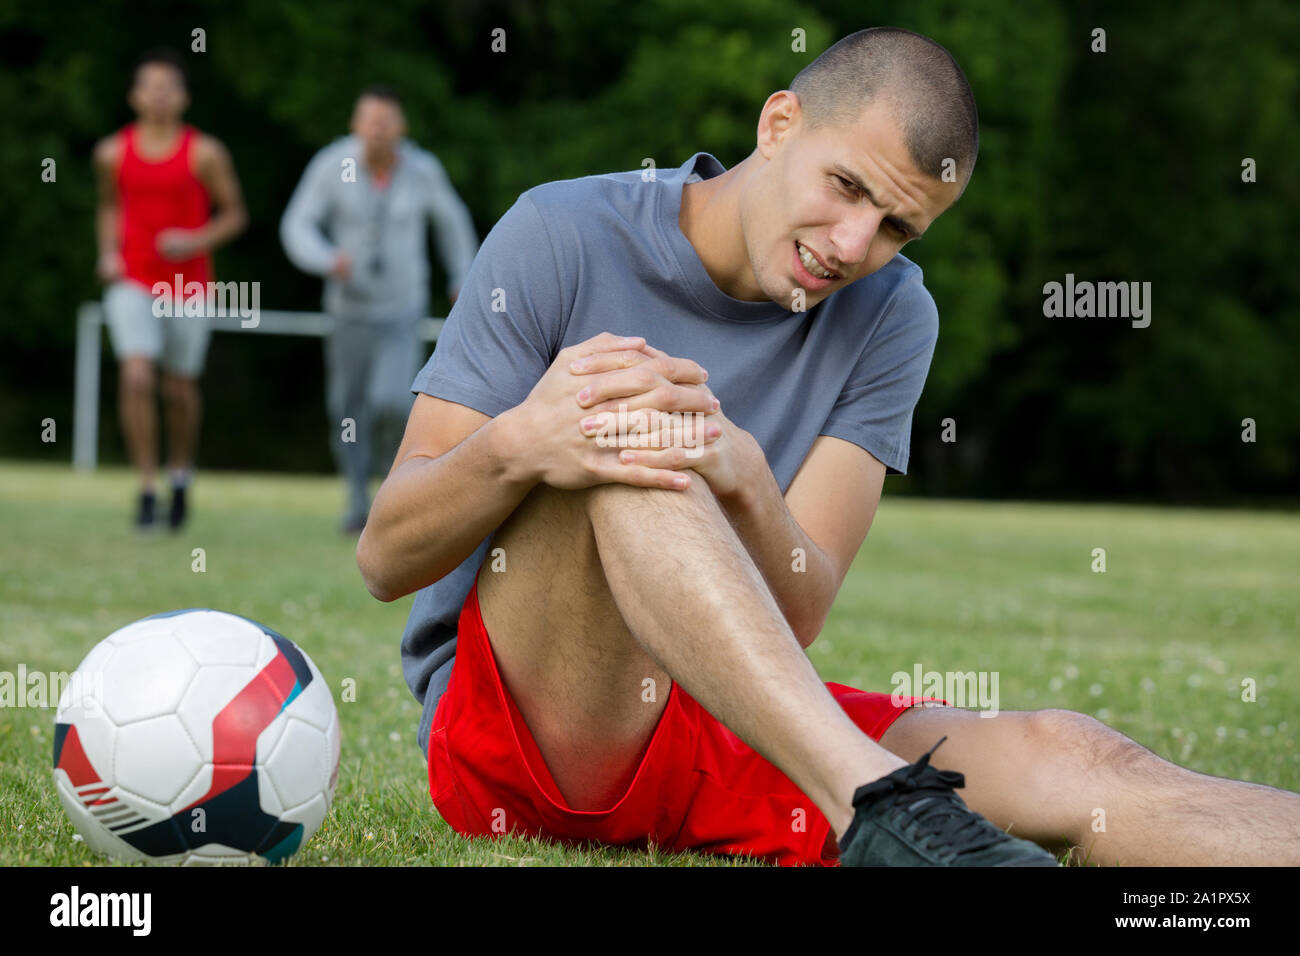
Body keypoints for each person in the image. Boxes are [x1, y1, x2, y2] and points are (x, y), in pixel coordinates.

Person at [358, 28, 1300, 866]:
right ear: (779, 124)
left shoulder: (893, 313)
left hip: (736, 714)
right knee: (637, 426)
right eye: (846, 186)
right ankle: (881, 809)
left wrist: (749, 481)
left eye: (897, 226)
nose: (854, 245)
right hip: (522, 741)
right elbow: (386, 556)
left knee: (1080, 757)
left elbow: (800, 609)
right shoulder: (559, 232)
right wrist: (527, 442)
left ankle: (883, 806)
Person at [280, 86, 479, 534]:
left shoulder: (423, 170)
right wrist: (327, 259)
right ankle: (355, 498)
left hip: (400, 310)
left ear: (400, 128)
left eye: (387, 122)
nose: (378, 131)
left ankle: (394, 489)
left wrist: (462, 277)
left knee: (391, 402)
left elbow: (453, 224)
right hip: (347, 311)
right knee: (346, 409)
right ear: (356, 125)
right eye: (370, 121)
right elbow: (297, 225)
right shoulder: (333, 165)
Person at [94, 48, 247, 531]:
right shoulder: (111, 153)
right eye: (150, 87)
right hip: (133, 281)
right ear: (135, 96)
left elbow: (235, 214)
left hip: (188, 287)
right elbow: (108, 207)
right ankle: (145, 487)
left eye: (169, 87)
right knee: (136, 375)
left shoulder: (205, 153)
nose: (159, 96)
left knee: (178, 390)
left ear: (182, 97)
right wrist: (108, 252)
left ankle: (179, 474)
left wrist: (195, 239)